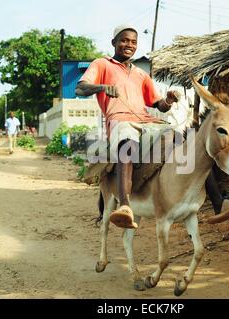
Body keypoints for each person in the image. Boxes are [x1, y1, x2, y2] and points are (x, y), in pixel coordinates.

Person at [76, 24, 180, 229]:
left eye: (133, 42)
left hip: (147, 121)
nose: (128, 45)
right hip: (120, 121)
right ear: (114, 42)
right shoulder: (102, 64)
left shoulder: (141, 74)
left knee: (181, 139)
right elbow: (80, 88)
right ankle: (124, 205)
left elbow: (159, 105)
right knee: (128, 142)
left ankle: (219, 201)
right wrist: (103, 87)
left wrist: (168, 100)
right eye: (124, 40)